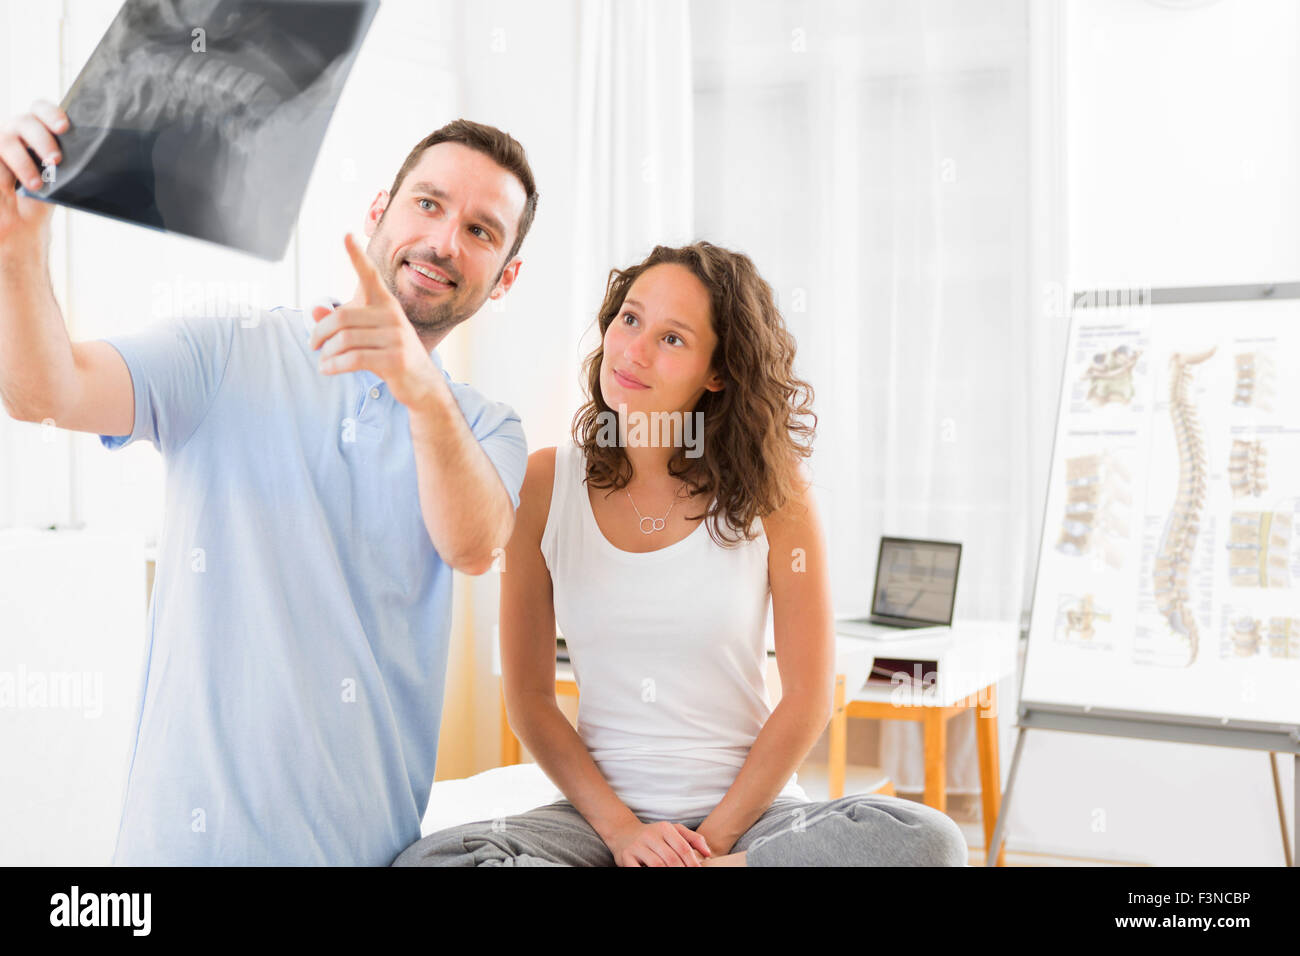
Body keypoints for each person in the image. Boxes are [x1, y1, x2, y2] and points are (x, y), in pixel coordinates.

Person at [0, 100, 539, 864]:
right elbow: (43, 394)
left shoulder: (487, 428)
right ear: (381, 210)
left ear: (505, 275)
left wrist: (419, 387)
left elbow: (476, 542)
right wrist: (16, 251)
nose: (445, 240)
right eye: (429, 203)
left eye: (482, 231)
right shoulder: (226, 352)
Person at [393, 242, 969, 866]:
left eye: (673, 339)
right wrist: (624, 834)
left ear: (717, 371)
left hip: (748, 823)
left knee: (929, 840)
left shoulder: (776, 496)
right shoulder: (544, 484)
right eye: (630, 319)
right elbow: (530, 698)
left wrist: (709, 848)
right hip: (600, 825)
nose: (634, 351)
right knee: (434, 861)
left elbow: (808, 698)